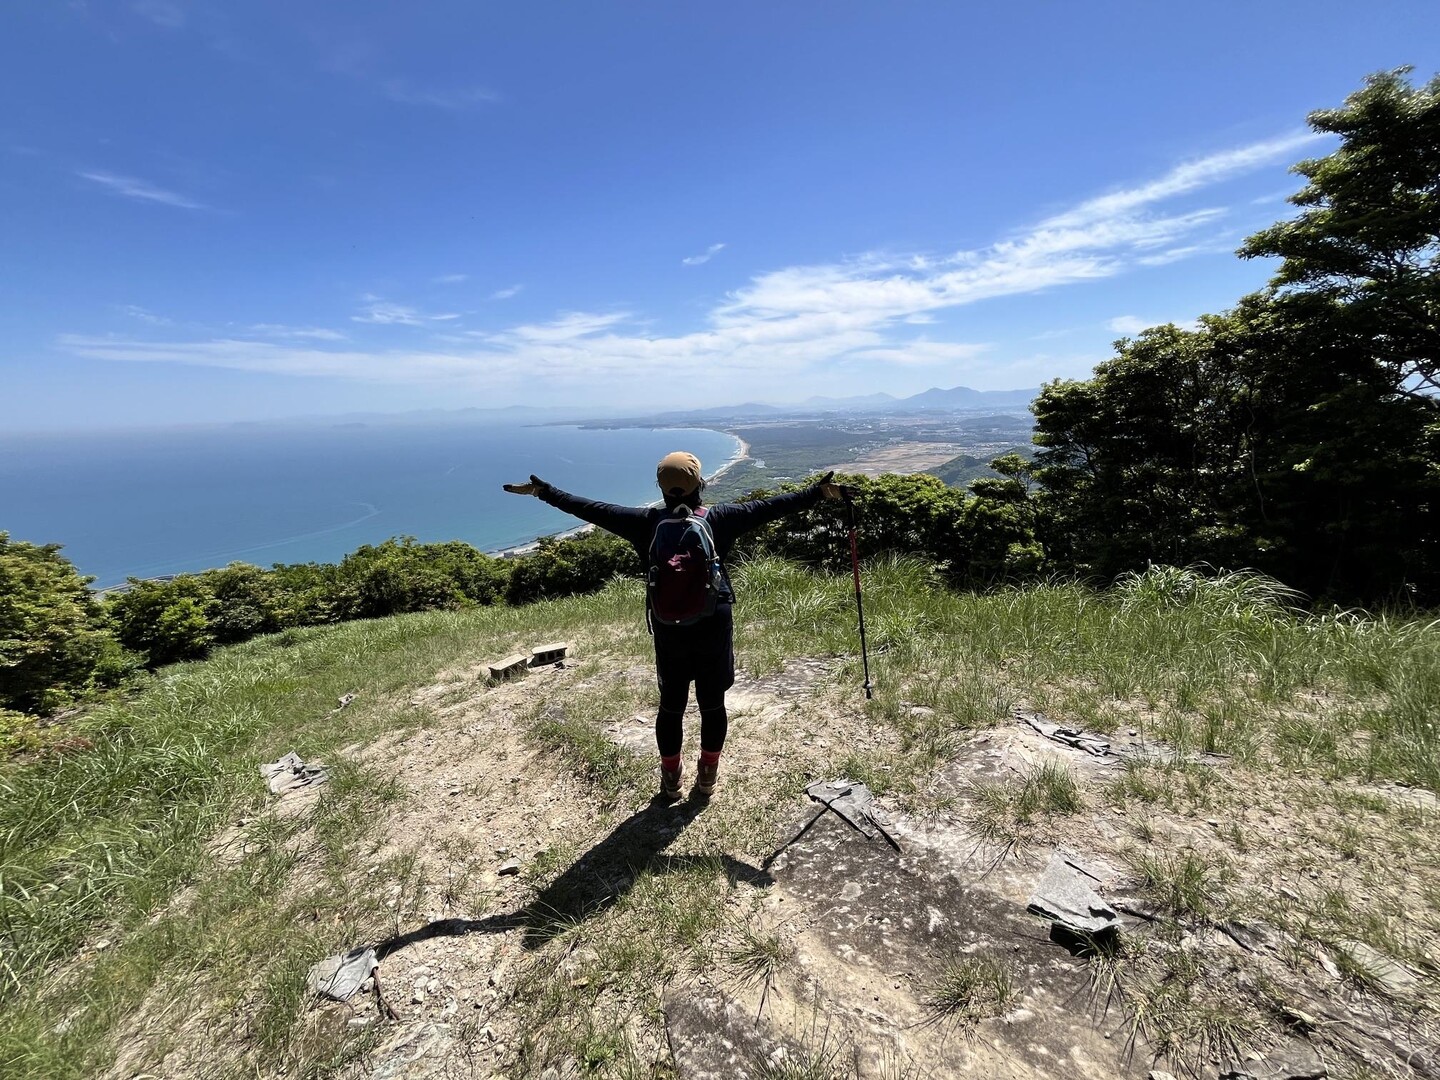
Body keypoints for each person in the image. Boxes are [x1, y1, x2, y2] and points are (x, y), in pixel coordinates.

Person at [504, 452, 845, 801]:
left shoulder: (645, 521)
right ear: (700, 482)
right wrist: (817, 493)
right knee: (712, 704)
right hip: (714, 619)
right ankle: (707, 778)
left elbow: (589, 508)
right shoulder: (721, 518)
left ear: (660, 487)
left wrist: (543, 491)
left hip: (669, 626)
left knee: (671, 706)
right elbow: (771, 506)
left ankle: (670, 780)